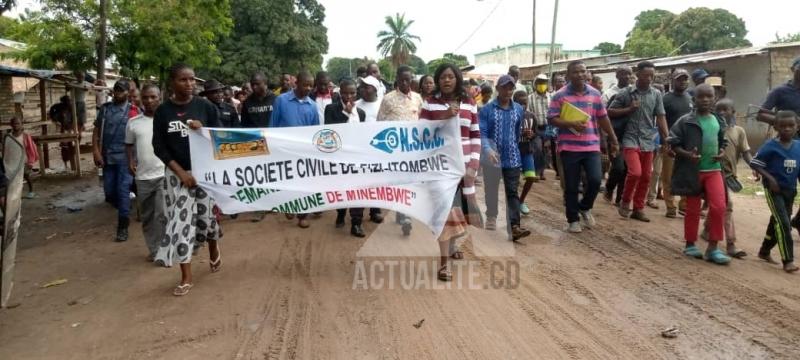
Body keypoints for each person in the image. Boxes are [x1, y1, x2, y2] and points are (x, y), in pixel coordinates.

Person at [152, 63, 223, 296]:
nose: (190, 84)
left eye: (192, 79)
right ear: (173, 83)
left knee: (206, 218)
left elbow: (221, 137)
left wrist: (203, 130)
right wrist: (181, 173)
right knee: (181, 223)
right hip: (177, 176)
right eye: (184, 80)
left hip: (203, 173)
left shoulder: (205, 107)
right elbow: (159, 147)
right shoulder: (163, 112)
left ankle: (213, 247)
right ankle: (186, 276)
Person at [419, 63, 482, 281]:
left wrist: (473, 165)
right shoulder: (430, 104)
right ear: (437, 81)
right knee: (447, 214)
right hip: (441, 167)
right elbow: (422, 135)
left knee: (464, 214)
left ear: (457, 79)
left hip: (465, 168)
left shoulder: (470, 103)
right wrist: (445, 115)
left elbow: (475, 135)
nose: (446, 80)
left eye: (450, 77)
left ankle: (453, 245)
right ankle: (444, 264)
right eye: (442, 77)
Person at [548, 60, 619, 233]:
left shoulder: (595, 94)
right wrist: (569, 123)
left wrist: (613, 138)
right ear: (568, 75)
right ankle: (573, 219)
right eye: (575, 72)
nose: (580, 75)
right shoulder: (560, 95)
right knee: (571, 186)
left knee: (595, 180)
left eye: (583, 71)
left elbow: (603, 117)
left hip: (591, 146)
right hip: (569, 148)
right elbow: (551, 118)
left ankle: (584, 207)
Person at [668, 84, 729, 265]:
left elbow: (722, 141)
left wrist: (722, 152)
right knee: (693, 208)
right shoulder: (685, 121)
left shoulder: (718, 120)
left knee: (719, 207)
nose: (705, 100)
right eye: (700, 97)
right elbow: (673, 142)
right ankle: (690, 244)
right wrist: (688, 155)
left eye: (709, 97)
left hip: (713, 170)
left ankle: (713, 247)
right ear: (693, 100)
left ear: (714, 99)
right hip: (693, 171)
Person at [608, 61, 669, 222]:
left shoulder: (656, 94)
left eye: (652, 76)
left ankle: (638, 208)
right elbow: (610, 112)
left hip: (648, 140)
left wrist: (666, 137)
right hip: (630, 138)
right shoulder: (626, 93)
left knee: (646, 176)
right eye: (646, 75)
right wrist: (629, 109)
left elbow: (661, 117)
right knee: (635, 172)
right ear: (637, 74)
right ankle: (625, 201)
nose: (649, 78)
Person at [479, 76, 531, 241]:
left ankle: (514, 226)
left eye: (511, 88)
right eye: (504, 88)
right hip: (491, 158)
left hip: (512, 157)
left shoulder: (518, 109)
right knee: (492, 189)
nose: (508, 91)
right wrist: (487, 149)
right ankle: (492, 217)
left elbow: (516, 132)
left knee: (512, 191)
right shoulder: (486, 110)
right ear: (498, 88)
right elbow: (482, 133)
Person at [697, 98, 749, 258]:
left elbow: (745, 151)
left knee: (718, 205)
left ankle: (707, 230)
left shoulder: (739, 131)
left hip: (728, 175)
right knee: (727, 205)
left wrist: (755, 166)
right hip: (711, 171)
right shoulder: (712, 128)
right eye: (717, 110)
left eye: (725, 109)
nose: (721, 113)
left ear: (733, 112)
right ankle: (731, 243)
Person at [751, 110, 800, 272]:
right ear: (776, 127)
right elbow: (755, 163)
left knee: (777, 220)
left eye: (791, 125)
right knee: (784, 223)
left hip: (790, 190)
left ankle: (764, 251)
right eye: (783, 126)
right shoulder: (770, 146)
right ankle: (788, 260)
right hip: (774, 190)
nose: (787, 129)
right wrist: (770, 179)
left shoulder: (798, 147)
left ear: (797, 126)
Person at [271, 71, 321, 228]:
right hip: (284, 150)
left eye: (311, 86)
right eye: (305, 84)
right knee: (287, 181)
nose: (308, 88)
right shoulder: (281, 100)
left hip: (304, 152)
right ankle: (289, 205)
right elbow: (273, 125)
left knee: (305, 183)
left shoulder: (313, 106)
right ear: (296, 83)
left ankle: (302, 216)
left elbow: (315, 131)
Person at [377, 66, 423, 234]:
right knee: (399, 182)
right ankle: (403, 214)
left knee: (410, 182)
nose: (405, 83)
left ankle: (405, 214)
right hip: (394, 152)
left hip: (413, 150)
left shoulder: (418, 99)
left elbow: (422, 121)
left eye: (408, 79)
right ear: (397, 79)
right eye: (402, 79)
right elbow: (379, 123)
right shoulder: (388, 99)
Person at [93, 79, 139, 242]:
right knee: (110, 192)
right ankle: (125, 205)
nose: (118, 93)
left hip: (126, 158)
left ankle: (123, 226)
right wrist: (96, 151)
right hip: (107, 157)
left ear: (128, 93)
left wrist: (136, 159)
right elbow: (96, 131)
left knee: (122, 190)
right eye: (116, 90)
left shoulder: (134, 111)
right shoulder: (105, 110)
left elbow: (139, 136)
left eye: (121, 90)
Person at [757, 57, 800, 231]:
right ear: (793, 69)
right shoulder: (780, 91)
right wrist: (786, 122)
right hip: (787, 149)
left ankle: (796, 221)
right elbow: (761, 114)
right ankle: (775, 234)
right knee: (785, 194)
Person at [125, 84, 166, 262]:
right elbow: (128, 145)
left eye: (153, 97)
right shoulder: (134, 123)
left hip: (164, 174)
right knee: (148, 216)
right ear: (141, 99)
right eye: (146, 97)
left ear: (160, 97)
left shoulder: (167, 120)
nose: (149, 101)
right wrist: (130, 161)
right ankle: (154, 249)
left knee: (162, 213)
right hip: (142, 177)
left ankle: (166, 250)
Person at [325, 79, 367, 237]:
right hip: (338, 158)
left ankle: (356, 223)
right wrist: (346, 114)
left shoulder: (361, 113)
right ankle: (341, 213)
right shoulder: (331, 109)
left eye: (352, 93)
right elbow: (330, 131)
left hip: (356, 158)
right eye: (345, 93)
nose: (348, 96)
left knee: (358, 190)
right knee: (341, 189)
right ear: (339, 92)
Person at [660, 69, 694, 217]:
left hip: (687, 144)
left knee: (685, 174)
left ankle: (684, 205)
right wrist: (667, 141)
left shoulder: (690, 98)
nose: (683, 82)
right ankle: (670, 206)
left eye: (686, 79)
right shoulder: (665, 99)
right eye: (680, 79)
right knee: (669, 175)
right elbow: (660, 120)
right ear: (673, 80)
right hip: (670, 143)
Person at [602, 66, 634, 206]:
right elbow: (602, 116)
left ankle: (620, 198)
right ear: (617, 75)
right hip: (614, 136)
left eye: (629, 74)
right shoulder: (608, 94)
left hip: (631, 136)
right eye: (623, 74)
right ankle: (609, 188)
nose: (626, 77)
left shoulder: (635, 92)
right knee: (618, 167)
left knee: (628, 169)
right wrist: (603, 137)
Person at [513, 89, 537, 215]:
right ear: (514, 102)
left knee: (531, 177)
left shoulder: (531, 116)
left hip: (527, 151)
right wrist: (519, 133)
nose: (523, 105)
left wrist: (531, 135)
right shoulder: (510, 115)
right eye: (520, 103)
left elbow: (535, 133)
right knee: (514, 180)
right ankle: (513, 202)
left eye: (525, 103)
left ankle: (521, 201)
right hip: (514, 152)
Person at [528, 74, 551, 181]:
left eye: (544, 82)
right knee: (537, 148)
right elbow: (529, 114)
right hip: (536, 127)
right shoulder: (530, 98)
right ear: (535, 84)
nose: (542, 85)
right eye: (540, 82)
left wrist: (551, 132)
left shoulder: (551, 97)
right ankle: (536, 171)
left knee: (546, 150)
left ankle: (542, 172)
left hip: (548, 127)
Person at [9, 117, 38, 199]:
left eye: (18, 123)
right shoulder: (9, 136)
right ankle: (15, 193)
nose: (16, 125)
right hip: (13, 160)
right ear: (11, 125)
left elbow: (31, 149)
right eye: (14, 124)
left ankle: (31, 191)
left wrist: (31, 162)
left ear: (22, 125)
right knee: (13, 177)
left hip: (24, 160)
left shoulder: (25, 136)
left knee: (26, 175)